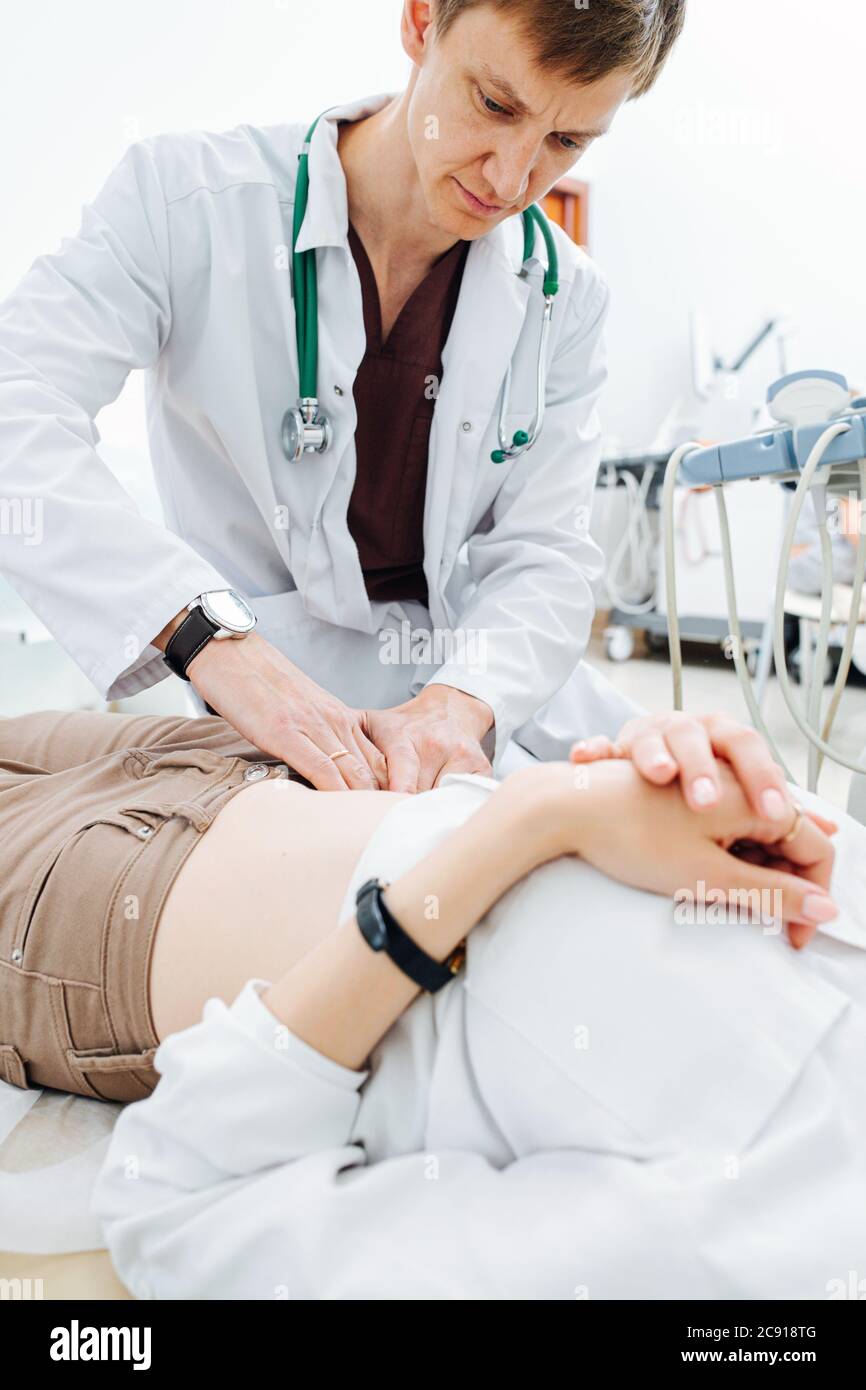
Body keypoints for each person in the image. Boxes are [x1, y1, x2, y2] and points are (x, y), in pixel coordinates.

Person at [0, 0, 705, 792]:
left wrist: (461, 702)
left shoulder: (564, 296)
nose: (512, 178)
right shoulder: (184, 202)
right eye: (495, 105)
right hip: (264, 703)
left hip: (482, 699)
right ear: (419, 21)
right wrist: (205, 633)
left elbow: (546, 553)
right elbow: (18, 404)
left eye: (566, 140)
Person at [2, 706, 864, 1297]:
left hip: (110, 913)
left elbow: (180, 1207)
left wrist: (535, 819)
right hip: (290, 759)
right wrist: (682, 768)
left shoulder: (761, 1252)